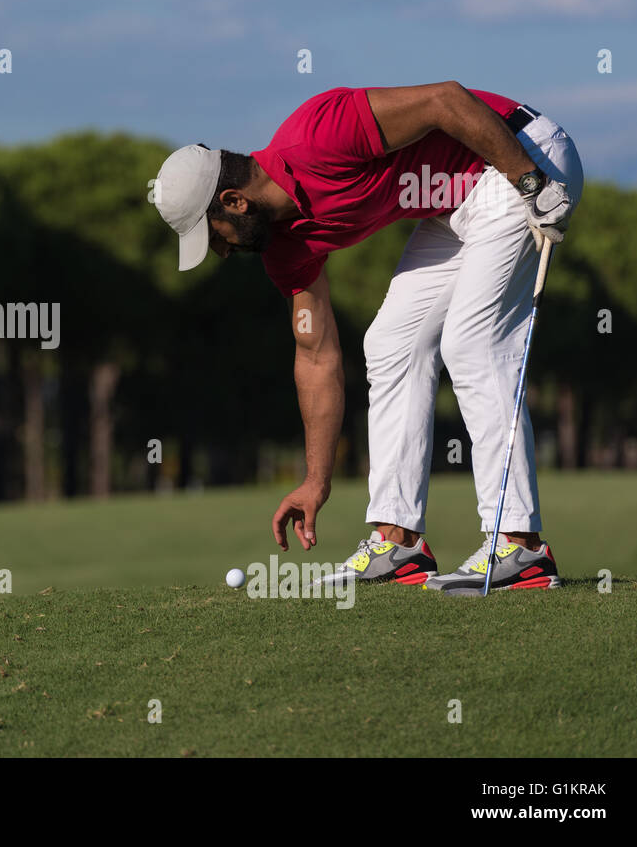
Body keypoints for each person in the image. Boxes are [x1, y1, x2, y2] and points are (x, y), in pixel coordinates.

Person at [152, 81, 583, 594]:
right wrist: (316, 480)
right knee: (391, 346)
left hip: (521, 159)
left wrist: (530, 181)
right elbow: (316, 356)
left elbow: (444, 100)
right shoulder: (285, 251)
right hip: (458, 202)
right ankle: (398, 543)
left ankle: (520, 546)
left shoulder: (317, 136)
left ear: (234, 201)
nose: (219, 253)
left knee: (471, 343)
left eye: (212, 234)